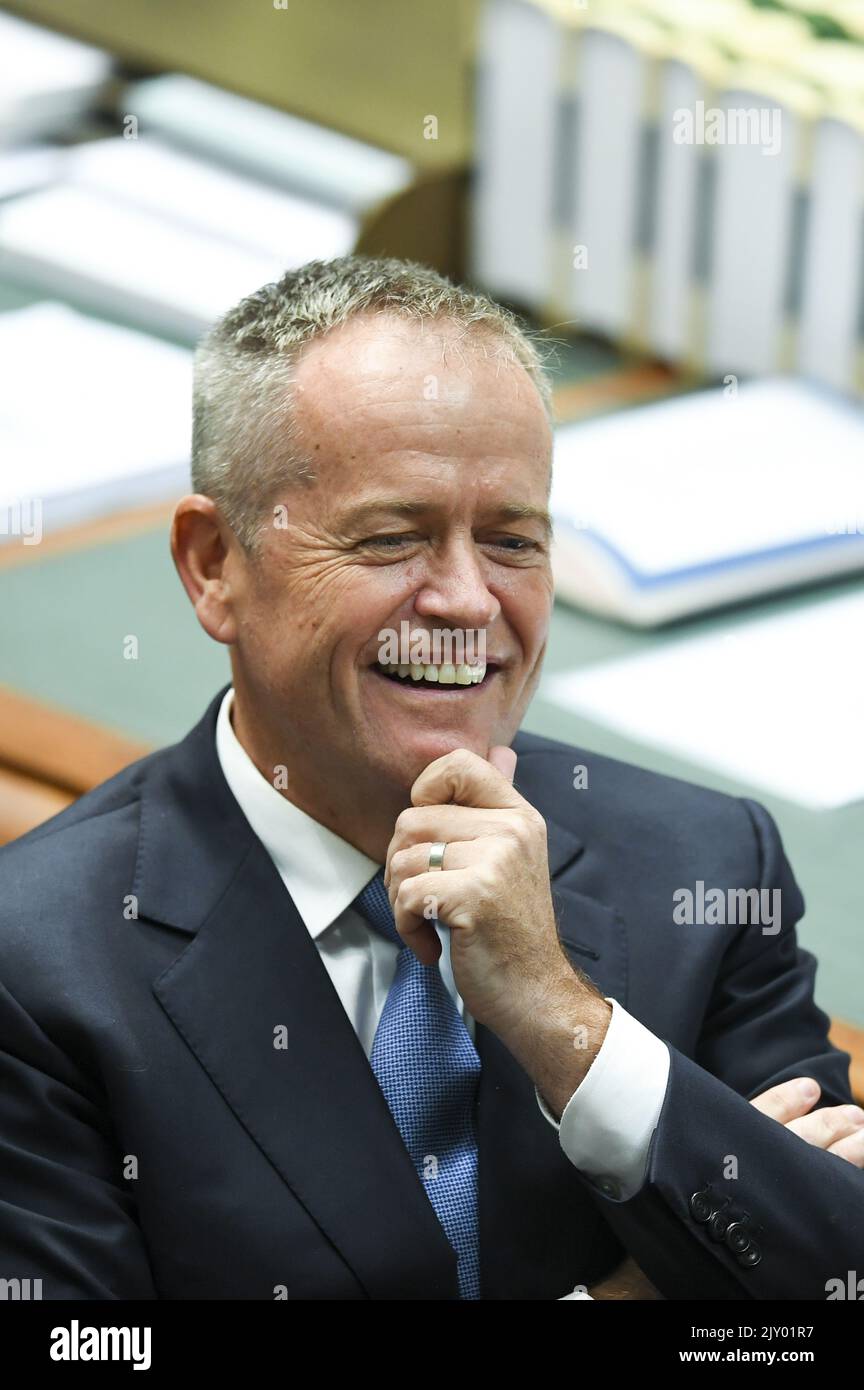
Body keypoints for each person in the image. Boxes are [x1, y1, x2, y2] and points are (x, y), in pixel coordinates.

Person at [0, 256, 861, 1301]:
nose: (465, 602)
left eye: (510, 539)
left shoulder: (704, 868)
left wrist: (564, 1022)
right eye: (392, 537)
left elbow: (834, 1282)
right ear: (214, 563)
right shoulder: (38, 967)